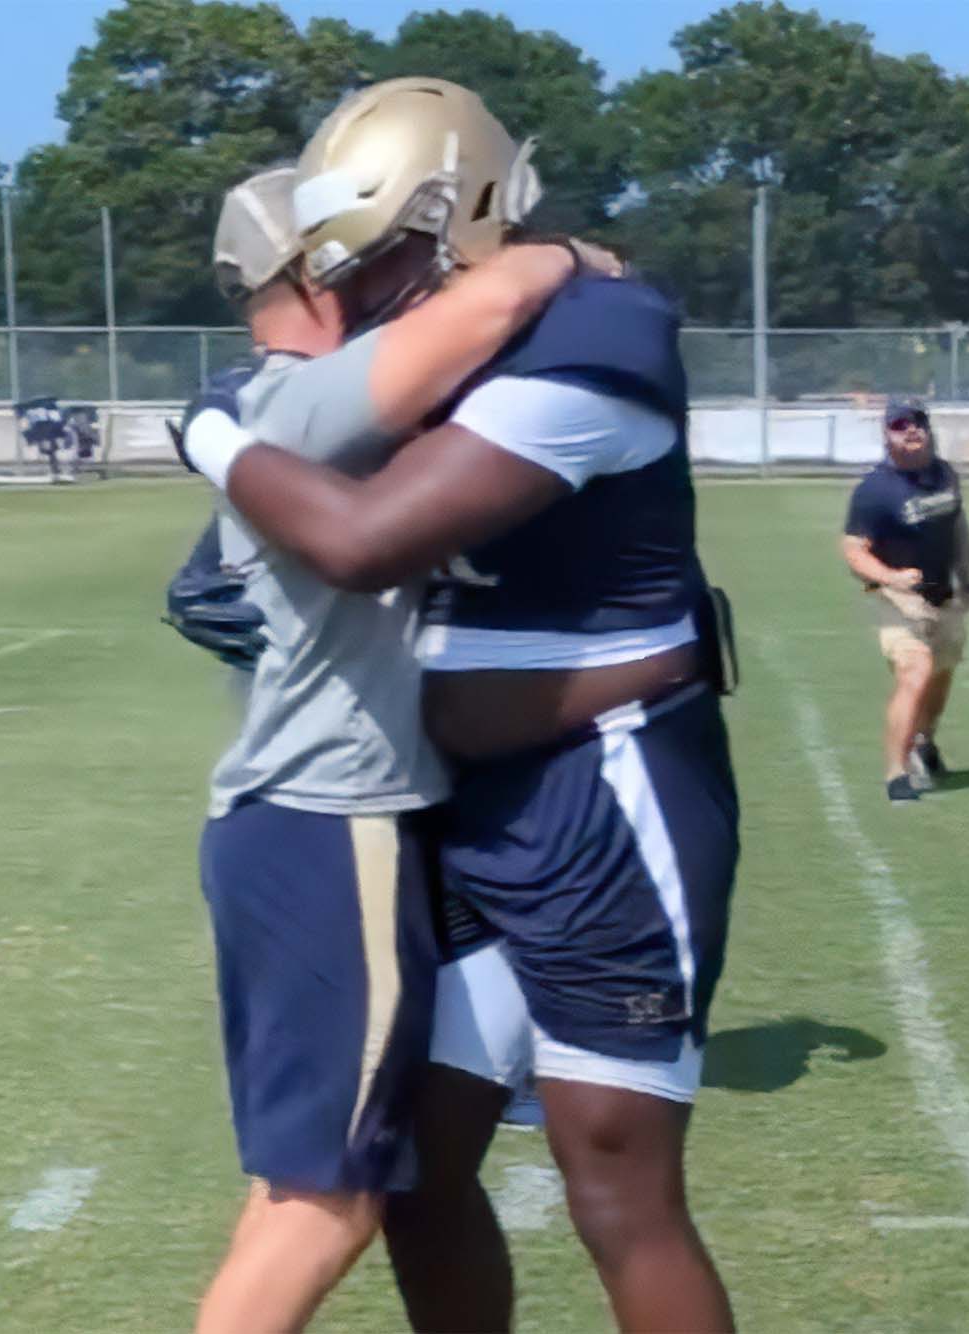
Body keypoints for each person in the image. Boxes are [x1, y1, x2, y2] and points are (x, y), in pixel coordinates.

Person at [183, 77, 741, 1333]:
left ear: (457, 218)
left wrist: (214, 437)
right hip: (453, 806)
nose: (358, 295)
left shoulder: (594, 335)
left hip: (605, 798)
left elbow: (368, 535)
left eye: (375, 259)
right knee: (422, 1171)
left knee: (614, 1179)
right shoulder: (466, 329)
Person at [178, 165, 601, 1334]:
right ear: (315, 270)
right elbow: (477, 316)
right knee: (329, 1201)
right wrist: (564, 258)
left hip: (307, 824)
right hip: (331, 822)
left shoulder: (277, 406)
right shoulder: (298, 402)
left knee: (300, 1186)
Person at [839, 399, 969, 802]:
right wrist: (892, 579)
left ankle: (924, 742)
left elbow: (957, 526)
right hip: (897, 599)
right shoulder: (875, 490)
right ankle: (896, 774)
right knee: (915, 670)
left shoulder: (945, 475)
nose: (911, 430)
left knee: (940, 677)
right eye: (900, 425)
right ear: (886, 434)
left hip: (944, 595)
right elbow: (853, 550)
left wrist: (968, 578)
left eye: (918, 422)